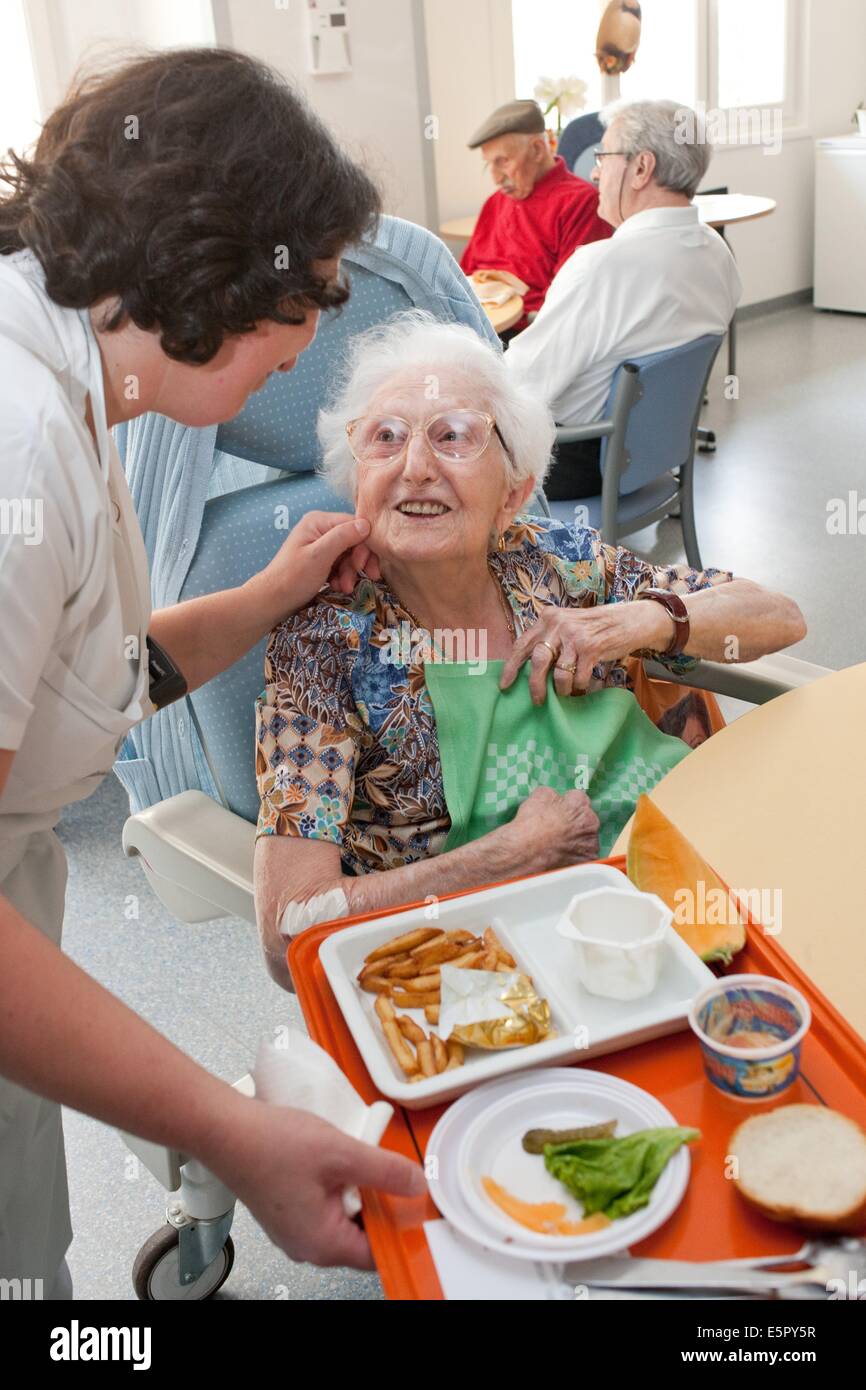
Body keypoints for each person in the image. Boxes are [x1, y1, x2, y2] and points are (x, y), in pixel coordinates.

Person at [0, 47, 426, 1299]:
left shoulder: (79, 398)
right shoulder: (18, 444)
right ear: (214, 276)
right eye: (304, 310)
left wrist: (265, 595)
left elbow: (98, 672)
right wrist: (229, 1126)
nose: (305, 355)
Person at [253, 313, 806, 987]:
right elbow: (289, 935)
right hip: (490, 961)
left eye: (454, 437)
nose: (416, 466)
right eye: (386, 438)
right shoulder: (325, 643)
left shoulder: (558, 562)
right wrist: (507, 855)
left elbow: (778, 616)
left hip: (676, 889)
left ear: (512, 493)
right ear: (356, 478)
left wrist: (643, 620)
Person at [505, 99, 742, 499]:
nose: (595, 172)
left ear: (641, 168)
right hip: (648, 455)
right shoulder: (719, 254)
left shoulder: (601, 266)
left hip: (574, 462)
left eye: (603, 156)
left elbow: (518, 387)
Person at [459, 100, 611, 329]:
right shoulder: (495, 203)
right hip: (480, 325)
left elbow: (571, 299)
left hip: (531, 332)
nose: (496, 178)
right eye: (489, 165)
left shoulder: (581, 203)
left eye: (503, 162)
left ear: (538, 150)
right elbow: (462, 278)